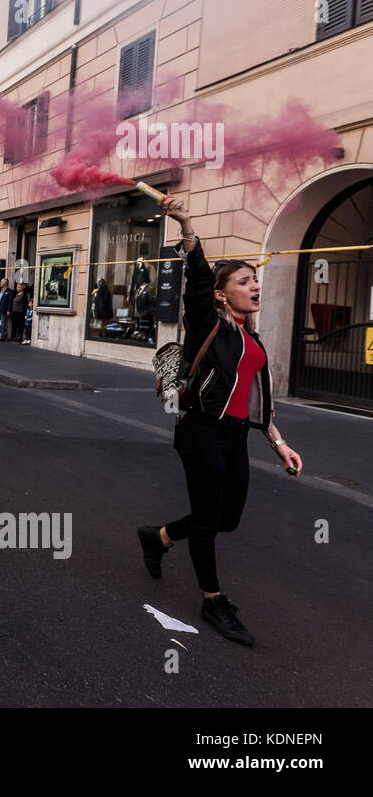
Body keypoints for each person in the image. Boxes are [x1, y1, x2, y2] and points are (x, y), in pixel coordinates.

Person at [137, 196, 303, 648]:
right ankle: (213, 600)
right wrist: (187, 225)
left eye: (256, 281)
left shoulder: (252, 338)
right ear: (220, 292)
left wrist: (278, 443)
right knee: (209, 521)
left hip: (235, 437)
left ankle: (160, 536)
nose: (255, 287)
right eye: (244, 281)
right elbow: (196, 277)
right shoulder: (208, 321)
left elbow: (257, 400)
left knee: (228, 518)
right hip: (201, 431)